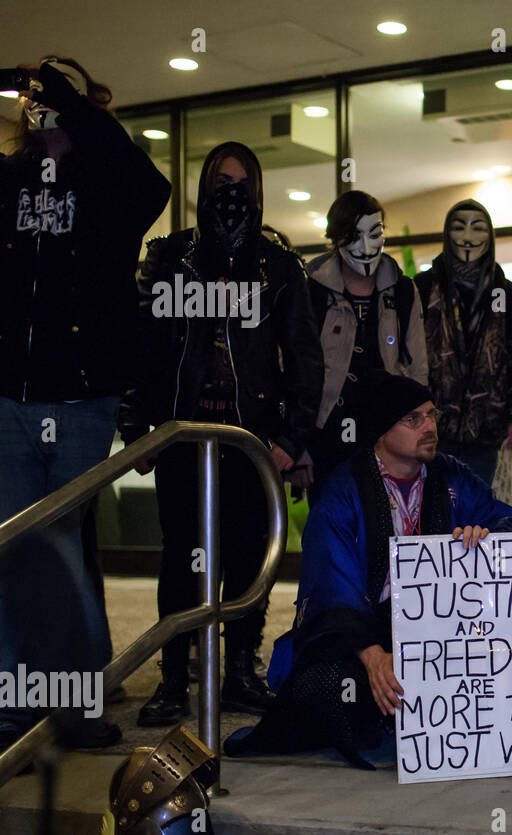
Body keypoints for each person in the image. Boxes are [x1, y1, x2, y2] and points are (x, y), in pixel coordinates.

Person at [119, 141, 324, 727]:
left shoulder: (278, 264)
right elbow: (143, 346)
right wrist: (138, 427)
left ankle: (238, 670)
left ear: (256, 191)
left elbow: (305, 358)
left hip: (253, 440)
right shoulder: (170, 257)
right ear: (205, 186)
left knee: (250, 553)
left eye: (241, 183)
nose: (229, 193)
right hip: (183, 433)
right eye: (219, 181)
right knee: (181, 555)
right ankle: (172, 678)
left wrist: (292, 436)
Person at [0, 57, 170, 752]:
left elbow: (149, 186)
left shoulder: (107, 181)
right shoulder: (10, 180)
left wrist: (79, 110)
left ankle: (77, 702)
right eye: (34, 96)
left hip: (82, 394)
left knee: (64, 545)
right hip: (11, 392)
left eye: (52, 95)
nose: (39, 105)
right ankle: (13, 705)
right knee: (11, 546)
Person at [223, 375, 512, 768]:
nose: (429, 427)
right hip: (361, 633)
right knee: (330, 685)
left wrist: (484, 534)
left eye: (431, 416)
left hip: (439, 631)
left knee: (509, 665)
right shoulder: (342, 492)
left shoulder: (451, 477)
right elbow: (332, 588)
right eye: (412, 420)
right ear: (380, 432)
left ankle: (401, 713)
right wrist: (373, 656)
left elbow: (505, 521)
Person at [295, 190, 428, 499]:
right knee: (331, 531)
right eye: (353, 236)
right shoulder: (312, 292)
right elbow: (293, 371)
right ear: (336, 238)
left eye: (375, 233)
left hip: (387, 434)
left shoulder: (403, 290)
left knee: (385, 530)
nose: (366, 248)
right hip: (324, 437)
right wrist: (297, 444)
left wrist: (417, 428)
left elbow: (418, 368)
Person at [414, 199, 512, 486]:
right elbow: (404, 359)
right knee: (433, 516)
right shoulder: (421, 289)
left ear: (490, 236)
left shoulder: (509, 296)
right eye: (458, 228)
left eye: (478, 228)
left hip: (486, 432)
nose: (468, 237)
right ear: (447, 235)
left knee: (477, 518)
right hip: (429, 430)